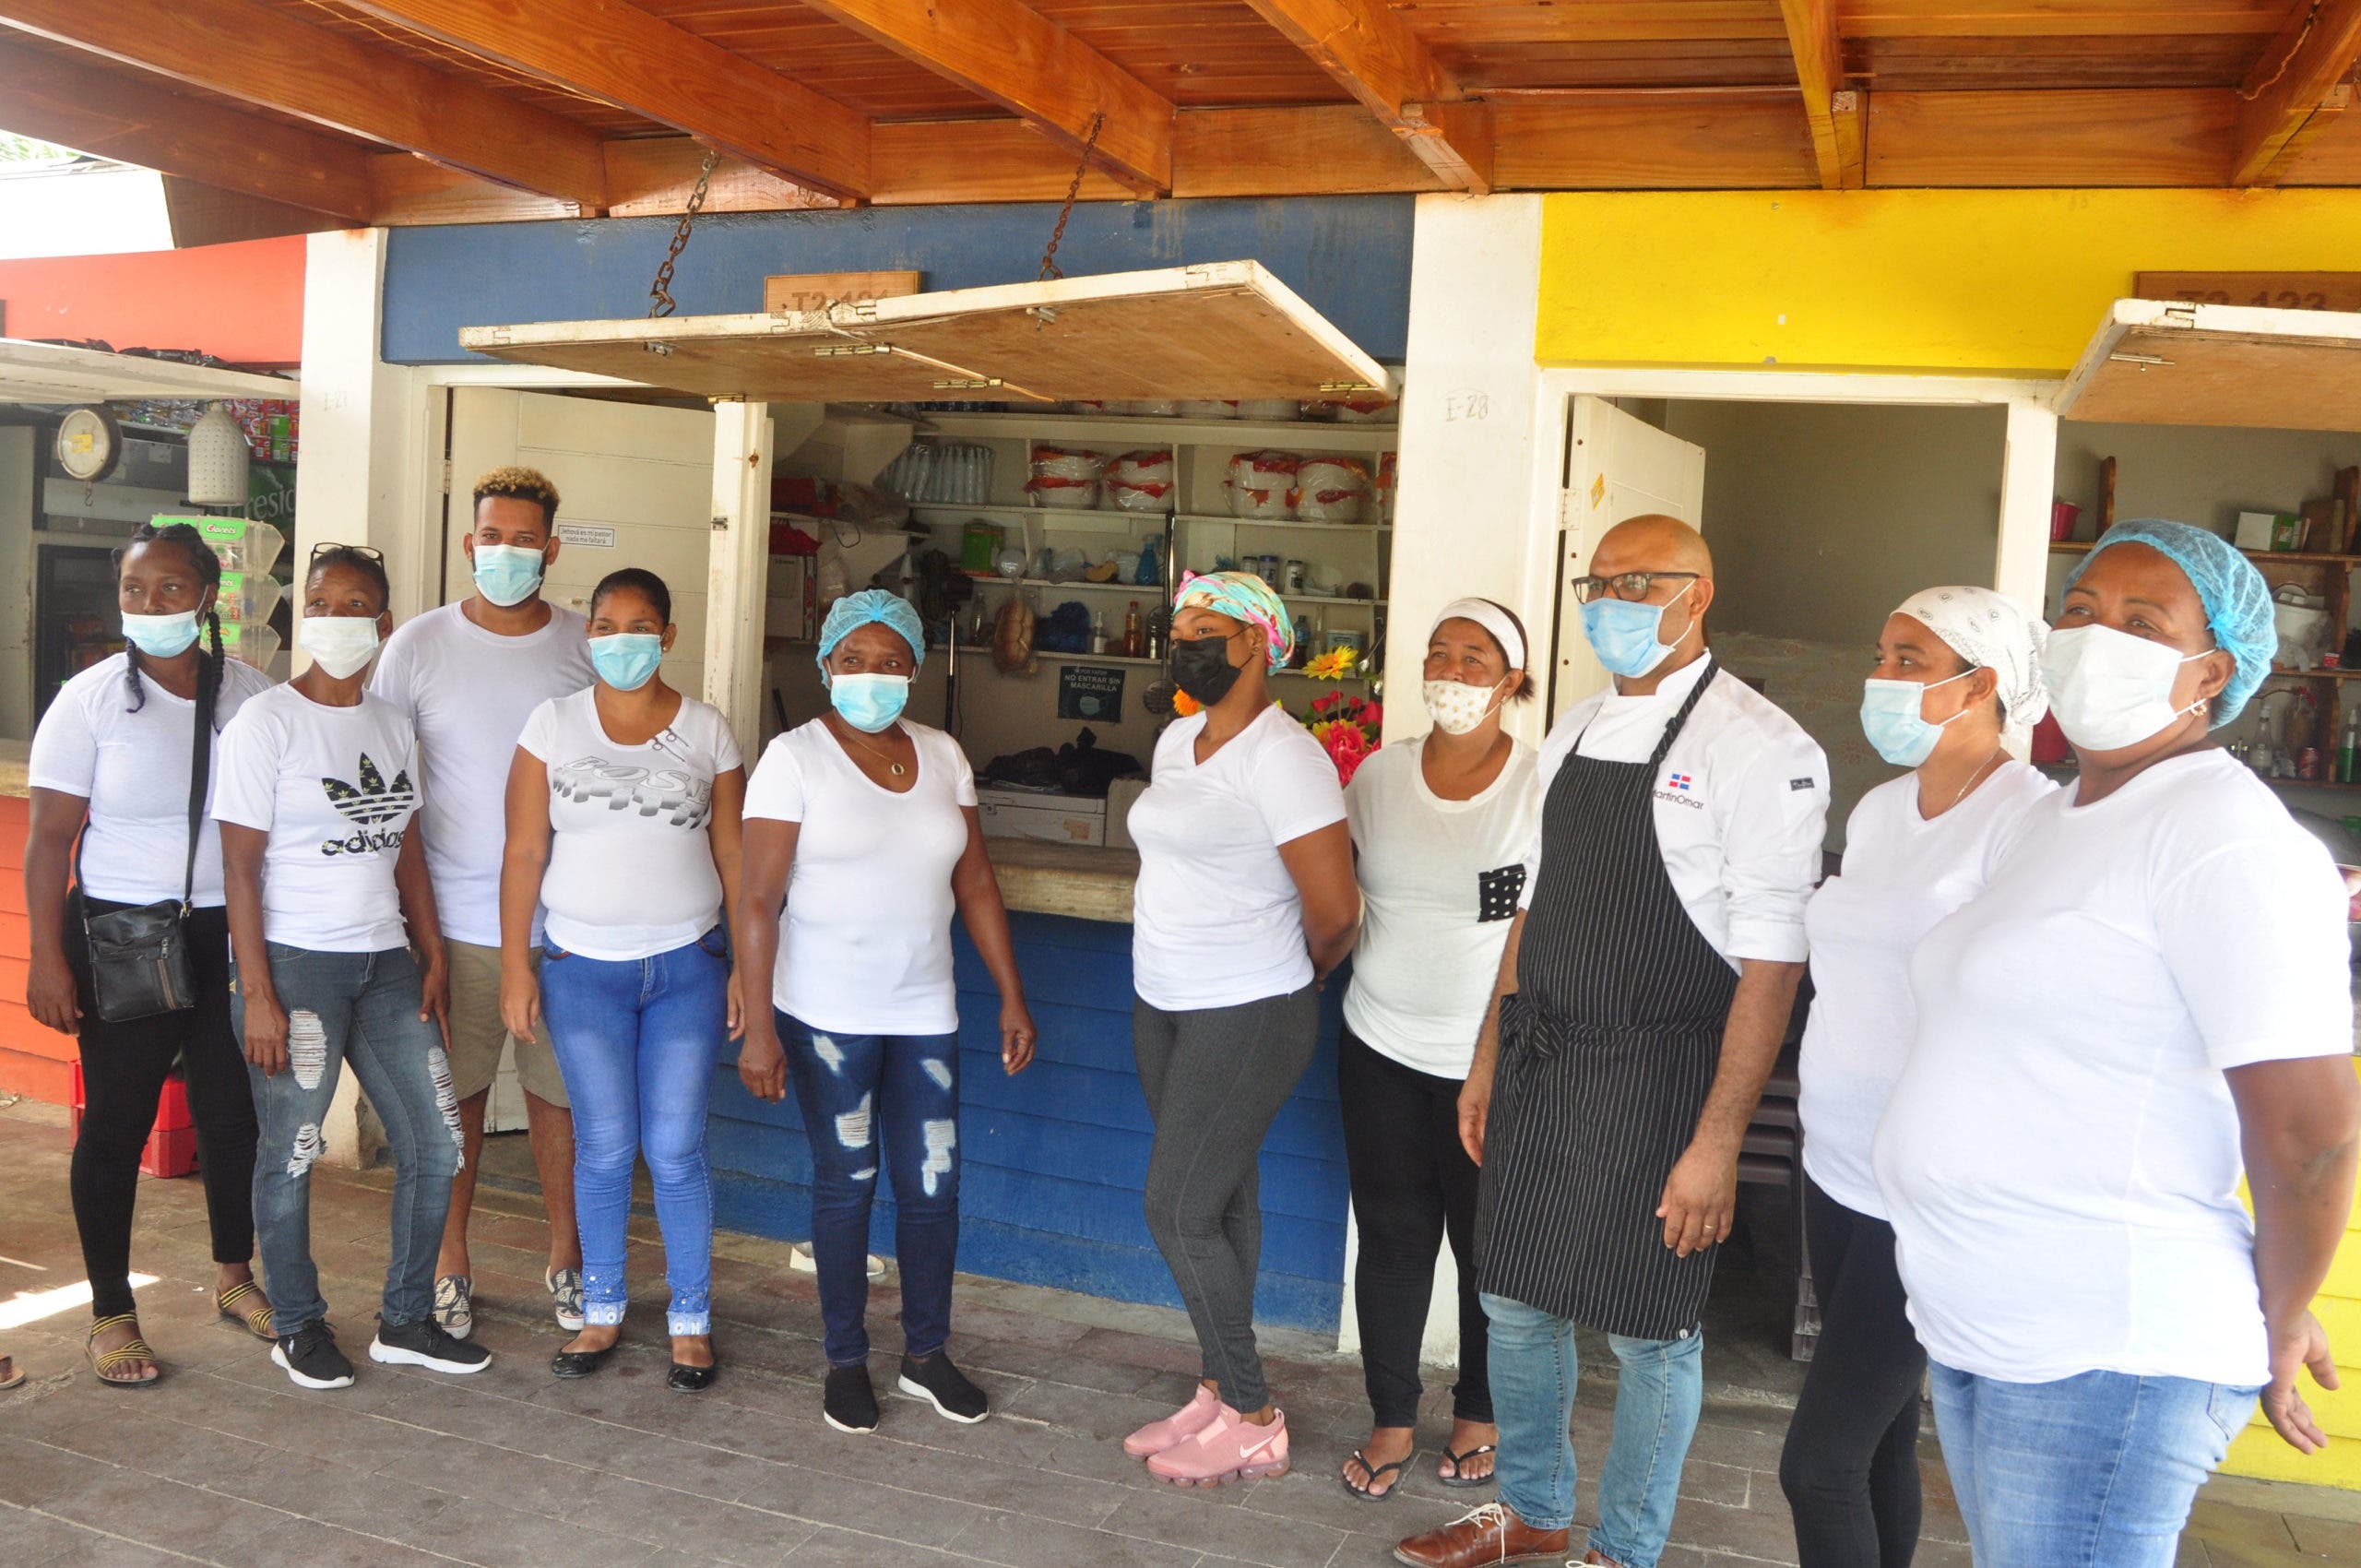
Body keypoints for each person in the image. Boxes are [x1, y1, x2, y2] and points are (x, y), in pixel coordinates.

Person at [1873, 519, 2361, 1568]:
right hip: (1993, 1327)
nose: (2098, 637)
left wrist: (2283, 1310)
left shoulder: (2225, 838)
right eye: (2082, 609)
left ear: (2212, 672)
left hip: (2107, 1348)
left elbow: (2312, 1135)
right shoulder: (2058, 817)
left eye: (2143, 623)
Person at [1401, 515, 1828, 1568]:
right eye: (1599, 582)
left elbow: (1774, 965)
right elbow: (1532, 908)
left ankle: (1625, 1549)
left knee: (1649, 1329)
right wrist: (1487, 1058)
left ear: (1698, 595)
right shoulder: (1576, 729)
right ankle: (1533, 1511)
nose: (1611, 601)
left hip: (1664, 1077)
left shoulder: (1762, 747)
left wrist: (1717, 1141)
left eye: (1640, 582)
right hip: (1544, 1060)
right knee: (1512, 1299)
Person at [1777, 587, 2056, 1567]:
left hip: (1928, 1187)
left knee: (1817, 1464)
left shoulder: (2030, 821)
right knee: (1879, 1442)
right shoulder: (1881, 808)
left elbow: (2027, 1011)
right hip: (1833, 1160)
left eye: (1908, 660)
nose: (1880, 677)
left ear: (1981, 685)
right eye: (1882, 653)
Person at [735, 588, 1037, 1433]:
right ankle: (845, 1360)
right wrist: (758, 1025)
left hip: (925, 1006)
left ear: (914, 670)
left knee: (934, 1184)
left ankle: (926, 1355)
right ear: (827, 664)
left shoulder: (943, 755)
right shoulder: (793, 759)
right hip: (825, 1012)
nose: (873, 675)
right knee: (849, 1183)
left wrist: (1011, 992)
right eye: (855, 660)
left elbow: (975, 880)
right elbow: (756, 899)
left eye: (892, 662)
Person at [216, 544, 486, 1391]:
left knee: (437, 1141)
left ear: (384, 622)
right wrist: (258, 992)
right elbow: (238, 871)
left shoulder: (391, 723)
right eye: (321, 604)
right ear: (303, 613)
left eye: (356, 606)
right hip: (296, 966)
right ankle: (297, 1325)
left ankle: (406, 1321)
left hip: (385, 963)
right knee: (293, 1148)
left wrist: (432, 952)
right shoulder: (265, 723)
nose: (336, 620)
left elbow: (407, 849)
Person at [1121, 571, 1360, 1488]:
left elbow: (1335, 910)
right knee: (1219, 1201)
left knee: (1176, 1206)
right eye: (1178, 628)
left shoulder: (1286, 758)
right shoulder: (1176, 740)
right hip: (1163, 998)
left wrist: (1295, 977)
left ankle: (1255, 1416)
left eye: (1204, 630)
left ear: (1255, 642)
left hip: (1249, 1007)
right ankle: (1218, 1389)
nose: (1183, 644)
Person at [23, 520, 277, 1386]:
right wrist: (47, 959)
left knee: (231, 1114)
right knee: (116, 1124)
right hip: (121, 935)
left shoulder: (250, 695)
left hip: (228, 931)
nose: (151, 603)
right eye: (136, 588)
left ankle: (234, 1276)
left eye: (170, 587)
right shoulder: (89, 699)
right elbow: (48, 841)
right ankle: (110, 1311)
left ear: (207, 596)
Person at [497, 568, 745, 1391]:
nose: (621, 641)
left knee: (675, 1149)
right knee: (603, 1148)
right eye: (605, 626)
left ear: (668, 637)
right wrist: (516, 966)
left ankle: (690, 1319)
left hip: (688, 966)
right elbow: (524, 851)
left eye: (640, 626)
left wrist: (748, 968)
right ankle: (601, 1309)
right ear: (588, 634)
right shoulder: (552, 724)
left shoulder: (708, 730)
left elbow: (734, 855)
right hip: (580, 970)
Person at [371, 466, 595, 1340]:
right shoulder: (417, 646)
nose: (505, 552)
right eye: (492, 537)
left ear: (551, 549)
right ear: (469, 544)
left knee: (559, 1101)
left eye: (523, 539)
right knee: (454, 1101)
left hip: (566, 922)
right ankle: (449, 1262)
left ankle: (568, 1257)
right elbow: (390, 794)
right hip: (456, 925)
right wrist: (418, 931)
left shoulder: (586, 644)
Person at [1336, 599, 1538, 1500]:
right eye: (1439, 653)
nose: (1450, 672)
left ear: (1511, 680)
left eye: (1473, 658)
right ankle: (1390, 1416)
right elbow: (1335, 886)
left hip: (1484, 1061)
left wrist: (1491, 1061)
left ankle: (1478, 1414)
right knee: (1389, 1236)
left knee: (1485, 1246)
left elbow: (1530, 939)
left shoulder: (1538, 787)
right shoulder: (1380, 776)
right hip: (1376, 1042)